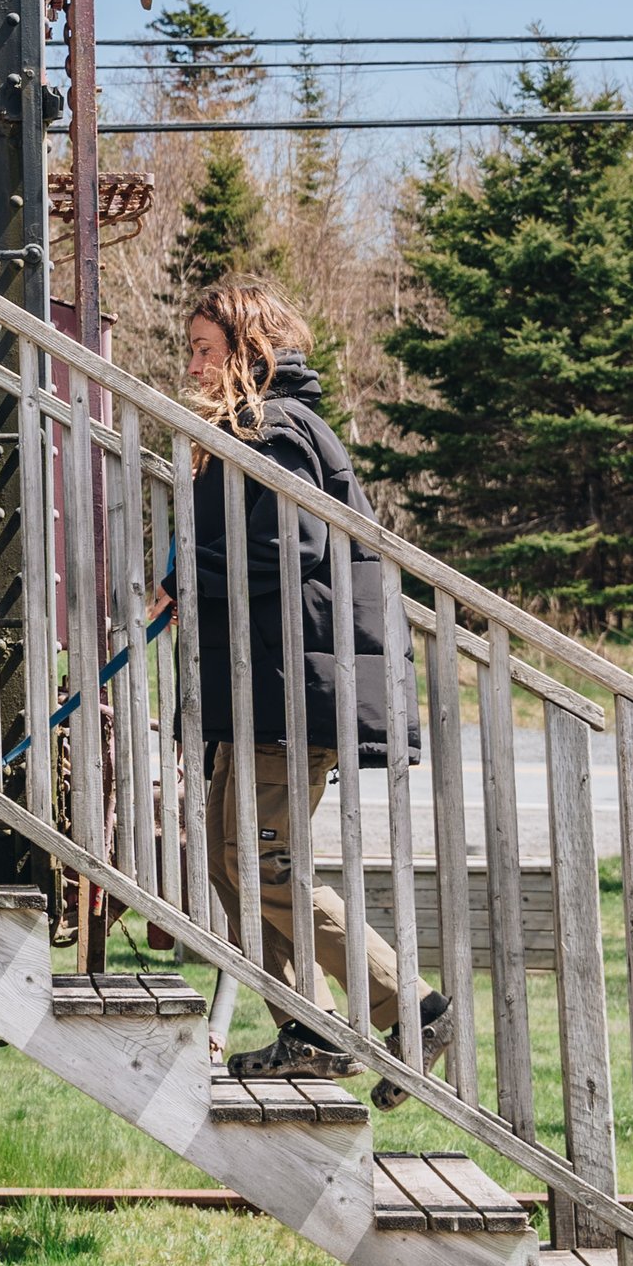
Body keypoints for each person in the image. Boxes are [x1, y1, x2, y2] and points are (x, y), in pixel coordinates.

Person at [178, 279, 449, 1080]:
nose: (191, 364)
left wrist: (184, 571)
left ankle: (411, 1008)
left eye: (204, 349)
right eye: (189, 348)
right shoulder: (253, 426)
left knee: (261, 864)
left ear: (247, 350)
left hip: (292, 694)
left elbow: (286, 547)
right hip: (262, 688)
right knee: (235, 866)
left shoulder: (277, 425)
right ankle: (313, 1028)